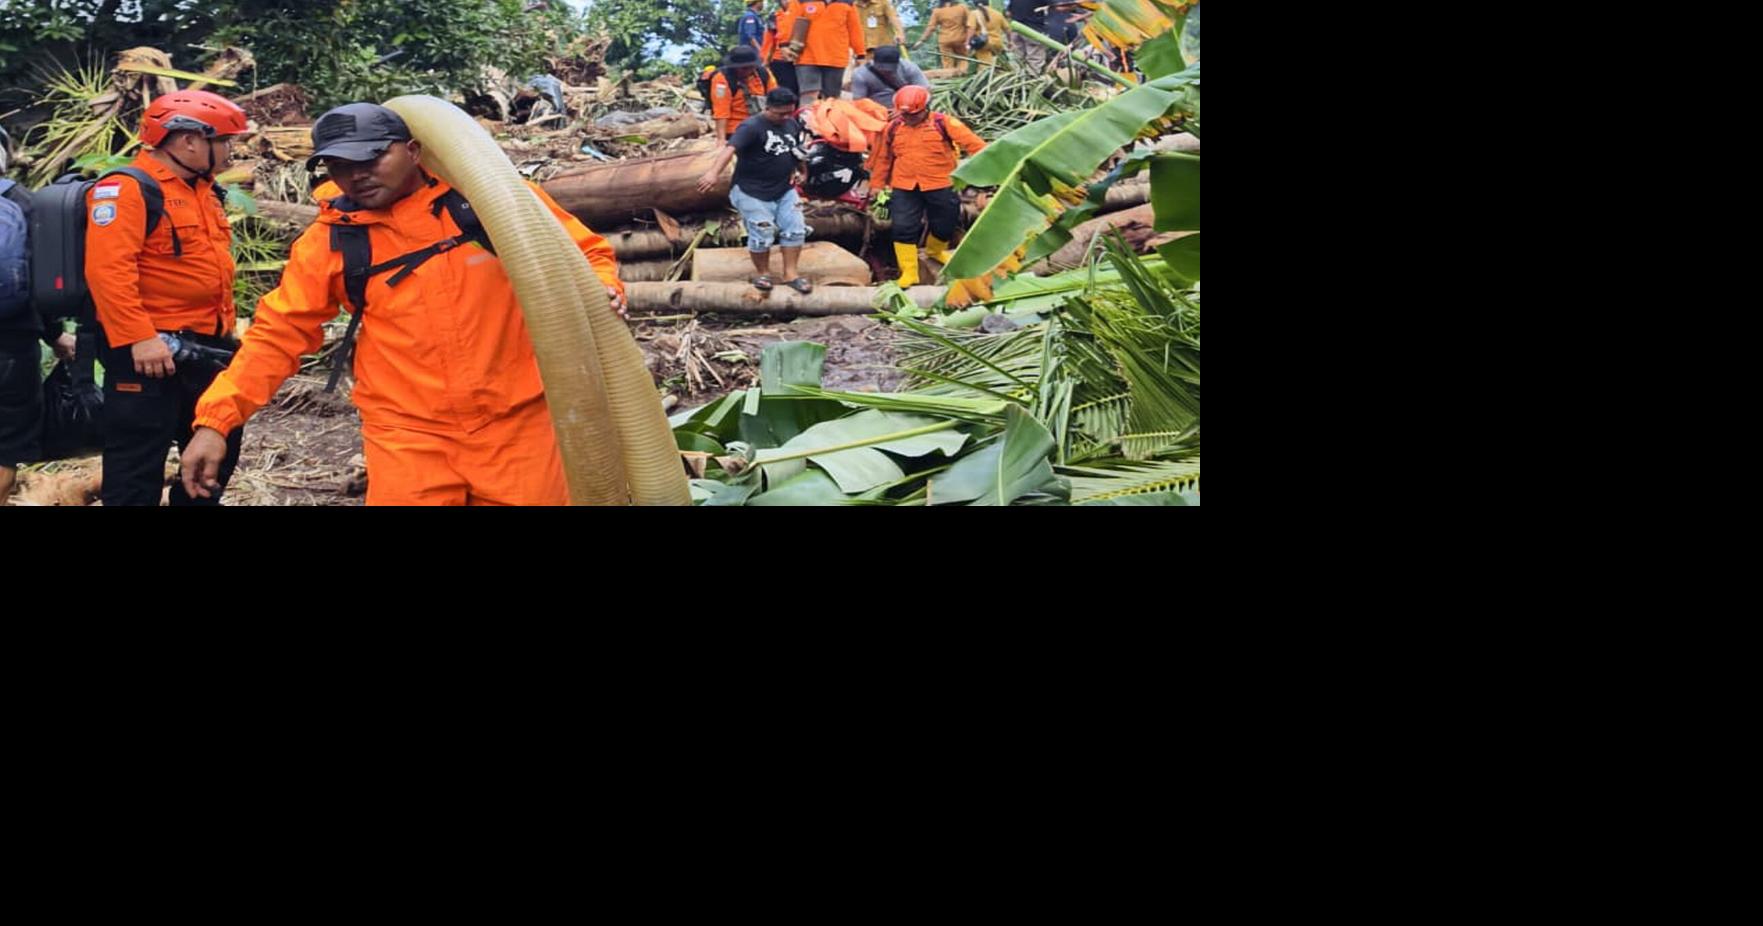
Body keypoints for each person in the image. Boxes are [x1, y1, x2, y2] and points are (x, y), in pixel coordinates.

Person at [179, 103, 626, 506]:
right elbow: (278, 335)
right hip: (407, 435)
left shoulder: (489, 202)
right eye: (339, 165)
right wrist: (217, 420)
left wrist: (603, 287)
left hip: (520, 423)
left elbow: (585, 253)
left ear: (413, 150)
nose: (356, 175)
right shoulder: (331, 241)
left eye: (371, 158)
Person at [84, 89, 249, 506]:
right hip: (147, 353)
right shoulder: (126, 189)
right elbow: (107, 271)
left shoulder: (204, 190)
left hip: (206, 346)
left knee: (217, 450)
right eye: (223, 141)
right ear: (189, 140)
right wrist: (140, 337)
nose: (230, 151)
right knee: (136, 465)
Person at [0, 175, 77, 504]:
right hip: (11, 343)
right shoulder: (22, 201)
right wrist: (56, 334)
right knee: (5, 445)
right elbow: (42, 281)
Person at [694, 88, 812, 296]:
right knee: (762, 230)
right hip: (751, 191)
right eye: (780, 114)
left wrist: (802, 170)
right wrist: (713, 173)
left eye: (789, 113)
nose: (785, 117)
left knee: (795, 229)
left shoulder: (791, 124)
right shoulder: (751, 127)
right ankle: (763, 273)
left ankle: (791, 274)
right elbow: (730, 149)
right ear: (768, 107)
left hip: (783, 188)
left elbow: (796, 149)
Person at [865, 85, 986, 286]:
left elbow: (976, 146)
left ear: (925, 108)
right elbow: (884, 158)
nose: (909, 118)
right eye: (905, 115)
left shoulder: (944, 123)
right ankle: (909, 272)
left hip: (941, 182)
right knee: (903, 227)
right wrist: (877, 184)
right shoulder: (893, 128)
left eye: (913, 115)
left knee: (945, 223)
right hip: (905, 184)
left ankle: (935, 251)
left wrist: (985, 174)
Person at [782, 0, 866, 105]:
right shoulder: (800, 1)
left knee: (832, 99)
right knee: (808, 96)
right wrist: (784, 44)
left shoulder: (847, 3)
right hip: (807, 58)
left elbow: (855, 29)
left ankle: (830, 116)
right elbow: (789, 23)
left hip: (836, 58)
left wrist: (860, 54)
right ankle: (807, 116)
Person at [709, 45, 779, 141]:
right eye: (742, 68)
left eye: (749, 68)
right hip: (736, 129)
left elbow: (776, 98)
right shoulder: (721, 80)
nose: (745, 71)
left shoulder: (764, 74)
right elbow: (721, 112)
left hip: (763, 125)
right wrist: (721, 140)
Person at [848, 44, 929, 110]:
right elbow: (859, 102)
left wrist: (905, 109)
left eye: (889, 70)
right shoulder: (860, 74)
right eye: (881, 69)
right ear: (874, 62)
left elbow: (924, 91)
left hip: (908, 109)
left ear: (898, 63)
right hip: (877, 111)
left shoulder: (909, 68)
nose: (886, 71)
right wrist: (879, 111)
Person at [918, 0, 971, 69]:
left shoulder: (937, 11)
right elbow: (970, 23)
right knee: (963, 59)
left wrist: (921, 40)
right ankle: (962, 72)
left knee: (947, 63)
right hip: (960, 39)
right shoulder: (962, 8)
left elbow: (931, 27)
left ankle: (948, 74)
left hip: (945, 40)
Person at [1007, 0, 1051, 73]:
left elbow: (1008, 12)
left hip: (1016, 28)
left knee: (1017, 58)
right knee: (1034, 59)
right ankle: (1032, 78)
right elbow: (1057, 6)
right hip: (1033, 29)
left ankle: (1016, 77)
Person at [964, 0, 1010, 70]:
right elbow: (1007, 29)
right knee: (998, 64)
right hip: (997, 43)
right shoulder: (997, 14)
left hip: (984, 44)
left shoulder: (974, 13)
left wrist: (967, 42)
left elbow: (971, 29)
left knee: (986, 67)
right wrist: (1010, 41)